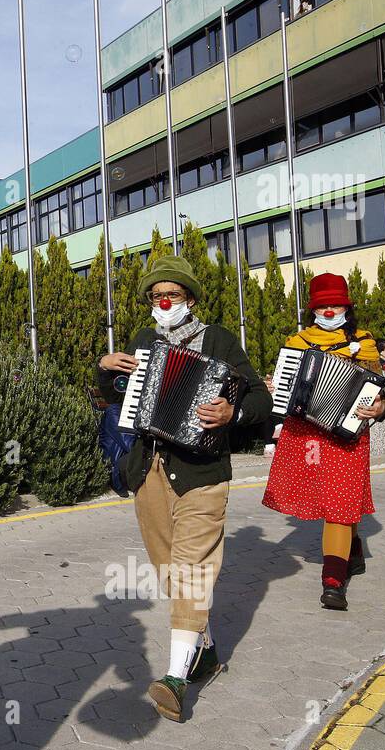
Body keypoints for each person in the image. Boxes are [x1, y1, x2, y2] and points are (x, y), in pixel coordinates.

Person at [97, 256, 271, 723]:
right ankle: (207, 651)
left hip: (202, 472)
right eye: (156, 296)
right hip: (150, 471)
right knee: (171, 574)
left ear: (190, 299)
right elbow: (118, 396)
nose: (164, 302)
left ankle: (174, 677)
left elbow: (260, 398)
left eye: (172, 294)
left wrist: (231, 413)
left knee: (192, 568)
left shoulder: (217, 340)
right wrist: (104, 370)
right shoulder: (142, 340)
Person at [261, 274, 385, 611]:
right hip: (308, 432)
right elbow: (286, 393)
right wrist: (278, 393)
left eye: (336, 304)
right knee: (330, 499)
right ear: (312, 309)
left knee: (339, 502)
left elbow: (382, 391)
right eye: (323, 305)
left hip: (348, 432)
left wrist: (380, 407)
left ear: (347, 306)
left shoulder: (364, 342)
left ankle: (333, 581)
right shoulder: (297, 342)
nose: (330, 311)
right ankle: (354, 543)